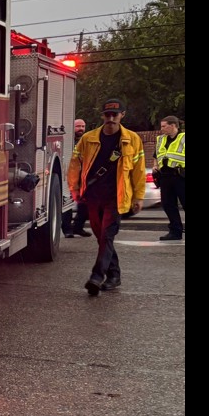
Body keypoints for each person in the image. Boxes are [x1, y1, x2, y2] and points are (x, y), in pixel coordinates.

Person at [66, 99, 144, 296]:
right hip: (92, 196)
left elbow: (138, 171)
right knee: (101, 237)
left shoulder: (132, 139)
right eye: (107, 115)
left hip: (116, 198)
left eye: (115, 115)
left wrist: (138, 197)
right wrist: (73, 188)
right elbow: (75, 163)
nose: (111, 118)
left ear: (122, 115)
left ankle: (97, 276)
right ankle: (115, 275)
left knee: (107, 236)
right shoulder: (88, 138)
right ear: (102, 116)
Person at [154, 115, 186, 240]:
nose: (161, 129)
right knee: (168, 204)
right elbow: (156, 155)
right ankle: (175, 231)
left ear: (173, 126)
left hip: (181, 176)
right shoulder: (161, 139)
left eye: (164, 126)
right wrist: (155, 166)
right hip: (165, 177)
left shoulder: (183, 138)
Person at [62, 117, 91, 237]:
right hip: (69, 176)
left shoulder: (87, 141)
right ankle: (67, 229)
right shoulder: (68, 142)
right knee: (68, 202)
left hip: (84, 177)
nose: (81, 129)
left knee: (85, 204)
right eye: (78, 126)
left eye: (83, 126)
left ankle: (78, 227)